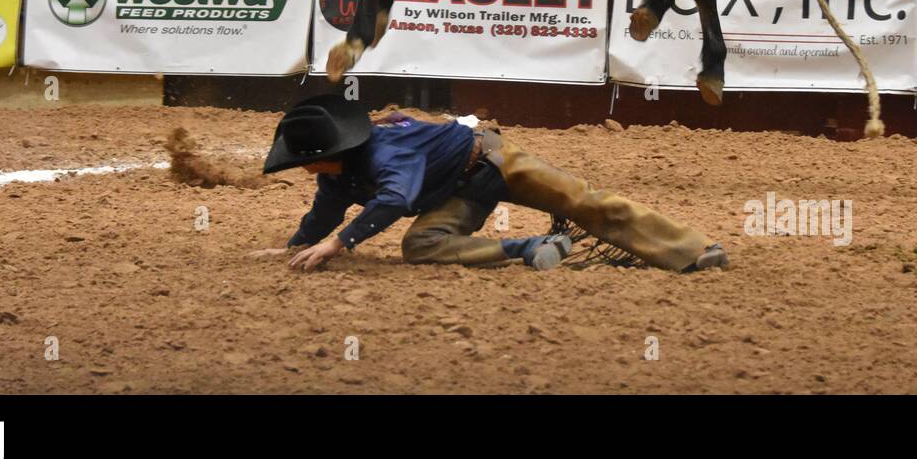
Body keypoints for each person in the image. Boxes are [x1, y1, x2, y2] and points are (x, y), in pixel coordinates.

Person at [261, 95, 730, 273]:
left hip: (492, 159)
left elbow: (396, 197)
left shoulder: (387, 152)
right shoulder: (337, 178)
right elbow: (323, 212)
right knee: (420, 244)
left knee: (582, 199)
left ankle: (694, 249)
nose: (303, 170)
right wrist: (299, 245)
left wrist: (339, 244)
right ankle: (527, 248)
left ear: (327, 157)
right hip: (457, 192)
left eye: (306, 162)